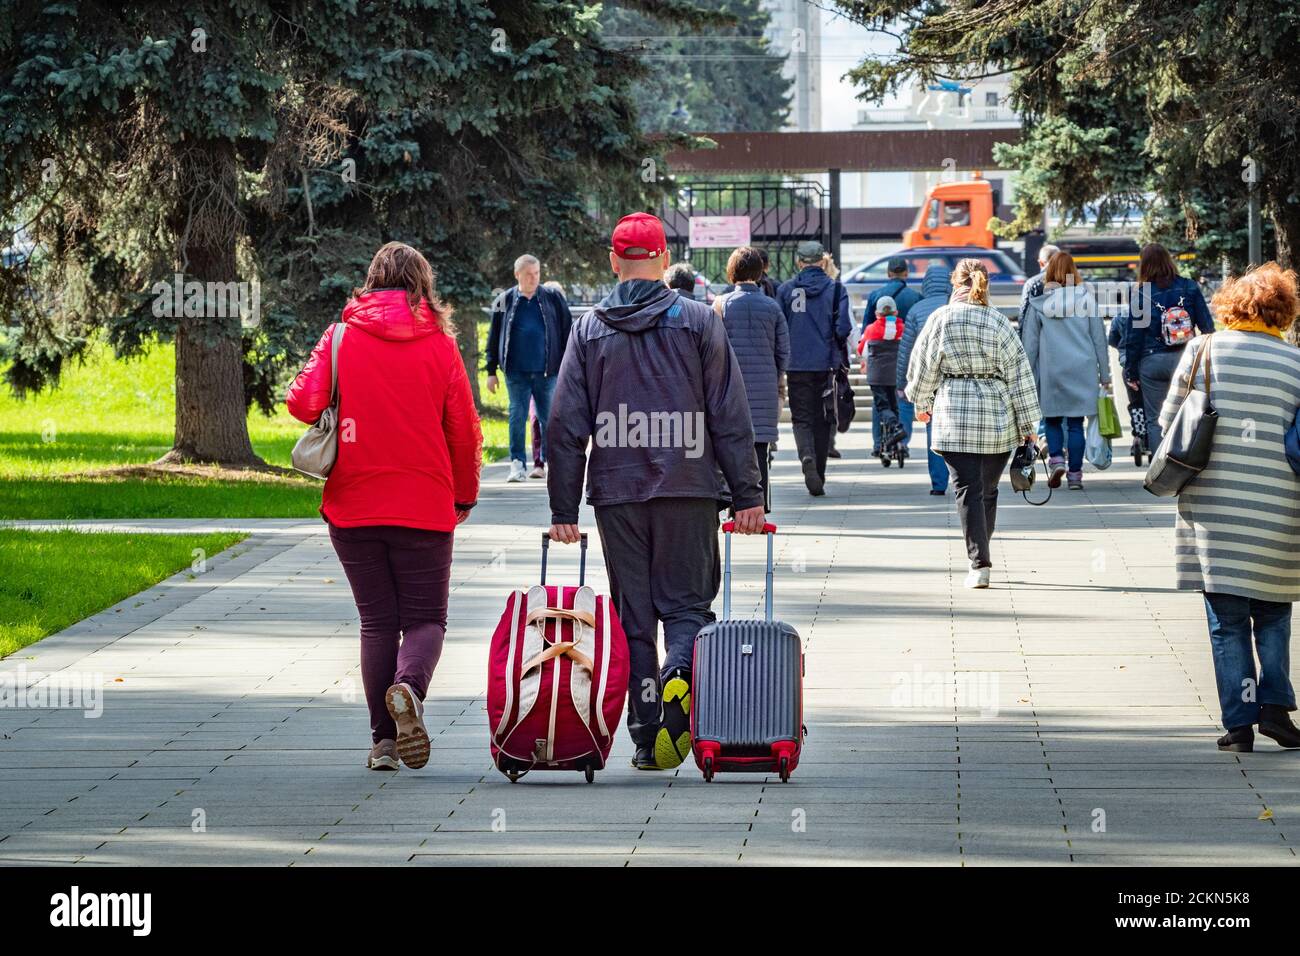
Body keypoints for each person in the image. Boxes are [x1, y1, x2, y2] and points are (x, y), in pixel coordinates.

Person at [546, 212, 767, 772]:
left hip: (617, 493)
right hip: (689, 487)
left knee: (634, 614)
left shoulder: (589, 328)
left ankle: (646, 735)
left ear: (614, 262)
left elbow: (565, 423)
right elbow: (729, 414)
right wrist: (747, 494)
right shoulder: (699, 321)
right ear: (664, 261)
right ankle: (681, 673)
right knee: (689, 604)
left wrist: (563, 509)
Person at [286, 242, 483, 772]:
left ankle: (384, 744)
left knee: (377, 623)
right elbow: (463, 431)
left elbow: (302, 401)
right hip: (424, 503)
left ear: (371, 281)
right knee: (426, 620)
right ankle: (409, 688)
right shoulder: (440, 345)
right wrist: (464, 493)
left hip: (354, 503)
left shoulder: (342, 334)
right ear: (423, 285)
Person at [1156, 263, 1300, 753]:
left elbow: (1170, 422)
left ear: (1233, 304)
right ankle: (1276, 711)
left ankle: (1239, 725)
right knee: (1274, 614)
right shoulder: (1296, 362)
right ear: (1283, 311)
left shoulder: (1204, 351)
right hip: (1279, 508)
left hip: (1215, 507)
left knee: (1227, 621)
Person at [906, 258, 1041, 589]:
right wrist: (1028, 425)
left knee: (967, 489)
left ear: (955, 283)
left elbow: (923, 368)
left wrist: (921, 404)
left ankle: (979, 563)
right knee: (988, 490)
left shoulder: (941, 319)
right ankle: (982, 553)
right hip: (996, 418)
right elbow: (1019, 375)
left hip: (954, 414)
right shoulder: (998, 322)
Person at [1020, 251, 1112, 490]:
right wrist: (1105, 375)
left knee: (1051, 420)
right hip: (1083, 369)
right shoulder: (1087, 300)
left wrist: (1026, 377)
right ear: (1074, 272)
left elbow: (1029, 346)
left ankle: (1056, 460)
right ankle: (1075, 475)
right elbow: (1099, 339)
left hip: (1051, 371)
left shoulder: (1038, 304)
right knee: (1075, 424)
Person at [485, 254, 574, 482]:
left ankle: (547, 461)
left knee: (549, 419)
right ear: (517, 275)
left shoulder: (552, 298)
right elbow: (493, 337)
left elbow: (568, 333)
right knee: (517, 416)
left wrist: (570, 366)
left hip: (547, 372)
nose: (533, 279)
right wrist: (491, 371)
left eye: (537, 274)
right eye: (528, 275)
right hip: (516, 373)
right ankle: (517, 464)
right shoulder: (504, 300)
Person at [1117, 243, 1214, 450]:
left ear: (1144, 265)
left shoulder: (1141, 294)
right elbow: (1207, 328)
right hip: (1187, 360)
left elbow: (1133, 338)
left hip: (1152, 363)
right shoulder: (1189, 287)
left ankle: (1160, 473)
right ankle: (1185, 466)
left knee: (1155, 420)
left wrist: (1131, 372)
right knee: (1188, 416)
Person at [714, 245, 790, 510]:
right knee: (760, 449)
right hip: (765, 389)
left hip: (728, 389)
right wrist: (775, 376)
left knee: (729, 446)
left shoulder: (720, 305)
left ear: (731, 272)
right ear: (759, 273)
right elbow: (784, 351)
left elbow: (711, 349)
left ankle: (733, 502)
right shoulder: (772, 307)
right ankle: (760, 505)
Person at [778, 240, 852, 495]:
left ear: (799, 262)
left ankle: (806, 456)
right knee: (824, 419)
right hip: (826, 365)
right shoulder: (836, 289)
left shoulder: (786, 290)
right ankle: (818, 472)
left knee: (801, 417)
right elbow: (843, 328)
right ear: (822, 262)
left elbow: (779, 328)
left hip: (796, 364)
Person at [897, 263, 953, 495]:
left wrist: (902, 382)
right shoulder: (958, 306)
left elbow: (906, 350)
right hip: (956, 378)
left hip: (929, 378)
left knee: (933, 428)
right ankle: (962, 477)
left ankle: (938, 484)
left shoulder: (917, 310)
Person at [858, 294, 907, 465]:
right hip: (896, 375)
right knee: (894, 405)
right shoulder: (903, 328)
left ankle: (895, 427)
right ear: (896, 311)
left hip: (877, 376)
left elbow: (862, 350)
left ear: (877, 314)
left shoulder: (871, 329)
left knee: (882, 406)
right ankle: (898, 442)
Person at [1018, 243, 1061, 332]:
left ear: (1041, 263)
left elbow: (1024, 316)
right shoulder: (1074, 282)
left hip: (1042, 340)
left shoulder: (1032, 283)